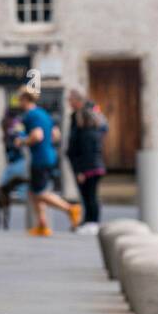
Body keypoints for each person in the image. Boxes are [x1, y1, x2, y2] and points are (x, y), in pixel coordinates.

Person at [17, 87, 83, 236]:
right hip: (50, 155)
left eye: (19, 99)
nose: (19, 103)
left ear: (25, 99)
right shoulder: (44, 114)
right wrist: (47, 145)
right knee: (36, 191)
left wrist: (22, 142)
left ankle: (70, 209)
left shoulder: (30, 115)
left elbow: (37, 135)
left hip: (39, 158)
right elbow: (56, 134)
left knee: (37, 193)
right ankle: (42, 225)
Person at [65, 87, 108, 232]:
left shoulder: (86, 127)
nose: (69, 103)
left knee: (90, 195)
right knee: (88, 195)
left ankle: (92, 223)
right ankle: (89, 222)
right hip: (90, 164)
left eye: (70, 100)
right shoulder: (88, 124)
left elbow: (82, 149)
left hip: (88, 166)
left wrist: (81, 170)